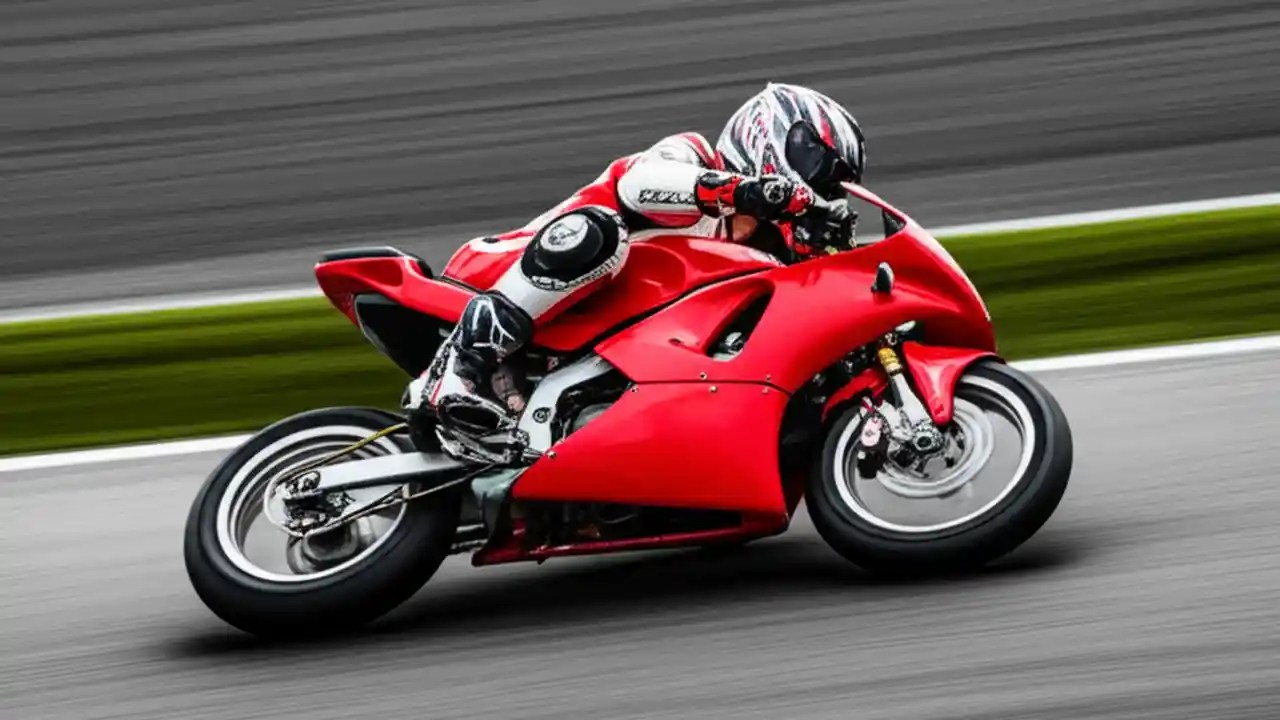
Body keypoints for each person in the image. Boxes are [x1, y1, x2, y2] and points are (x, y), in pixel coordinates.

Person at [405, 82, 867, 453]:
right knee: (601, 231)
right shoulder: (693, 157)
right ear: (770, 132)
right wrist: (746, 191)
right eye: (817, 165)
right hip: (507, 273)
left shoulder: (766, 258)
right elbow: (640, 186)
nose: (824, 187)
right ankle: (457, 370)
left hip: (592, 340)